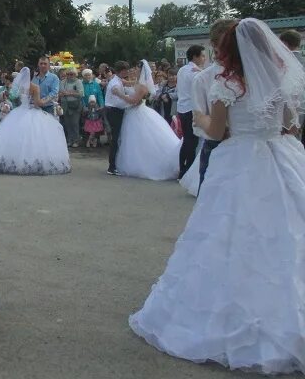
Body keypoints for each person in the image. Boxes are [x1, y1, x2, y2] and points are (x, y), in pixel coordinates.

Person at [130, 18, 305, 374]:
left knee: (233, 233)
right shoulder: (282, 79)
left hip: (241, 158)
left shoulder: (228, 83)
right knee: (286, 231)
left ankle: (235, 311)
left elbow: (216, 131)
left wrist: (199, 115)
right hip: (282, 155)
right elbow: (291, 125)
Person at [0, 67, 71, 175]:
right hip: (33, 111)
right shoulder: (35, 87)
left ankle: (11, 159)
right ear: (33, 76)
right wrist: (47, 100)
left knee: (16, 136)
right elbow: (37, 103)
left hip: (20, 111)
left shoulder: (20, 87)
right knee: (35, 137)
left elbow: (14, 97)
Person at [180, 19, 236, 196]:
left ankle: (184, 169)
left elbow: (213, 130)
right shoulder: (262, 76)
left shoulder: (205, 77)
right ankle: (185, 168)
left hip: (218, 140)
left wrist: (202, 119)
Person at [115, 61, 181, 181]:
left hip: (137, 113)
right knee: (134, 141)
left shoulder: (142, 86)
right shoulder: (137, 83)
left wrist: (119, 94)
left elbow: (134, 101)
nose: (134, 71)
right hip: (132, 113)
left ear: (141, 71)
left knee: (142, 139)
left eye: (137, 69)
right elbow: (127, 83)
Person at [104, 61, 144, 176]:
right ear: (121, 71)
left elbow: (128, 84)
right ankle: (112, 166)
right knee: (115, 138)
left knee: (118, 137)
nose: (127, 72)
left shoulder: (118, 80)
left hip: (116, 110)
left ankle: (114, 164)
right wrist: (132, 103)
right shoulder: (115, 84)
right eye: (125, 70)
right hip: (114, 111)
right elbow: (119, 102)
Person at [176, 45, 206, 178]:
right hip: (191, 108)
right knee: (191, 141)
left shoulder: (182, 70)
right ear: (195, 56)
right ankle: (186, 171)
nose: (204, 59)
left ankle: (182, 168)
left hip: (182, 107)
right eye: (203, 56)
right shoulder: (195, 71)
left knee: (187, 140)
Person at [59, 67, 84, 148]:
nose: (70, 76)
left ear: (75, 74)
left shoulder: (78, 82)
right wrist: (72, 92)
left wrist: (68, 93)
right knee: (67, 123)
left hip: (75, 105)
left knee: (75, 123)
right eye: (68, 74)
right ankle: (69, 140)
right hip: (65, 105)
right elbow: (61, 93)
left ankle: (76, 140)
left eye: (72, 74)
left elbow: (80, 93)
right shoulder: (63, 82)